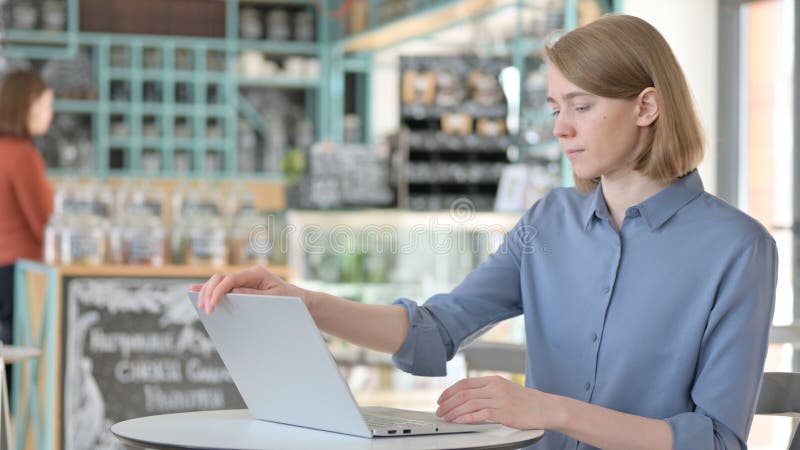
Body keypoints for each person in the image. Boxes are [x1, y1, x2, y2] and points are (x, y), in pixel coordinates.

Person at [194, 15, 777, 450]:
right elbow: (432, 330)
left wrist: (550, 410)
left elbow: (718, 439)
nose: (562, 129)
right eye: (554, 108)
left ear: (647, 106)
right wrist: (303, 303)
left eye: (582, 105)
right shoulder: (548, 222)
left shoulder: (739, 248)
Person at [0, 71, 55, 345]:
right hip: (17, 271)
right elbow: (43, 223)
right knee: (16, 356)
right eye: (46, 106)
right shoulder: (23, 155)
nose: (50, 114)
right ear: (29, 104)